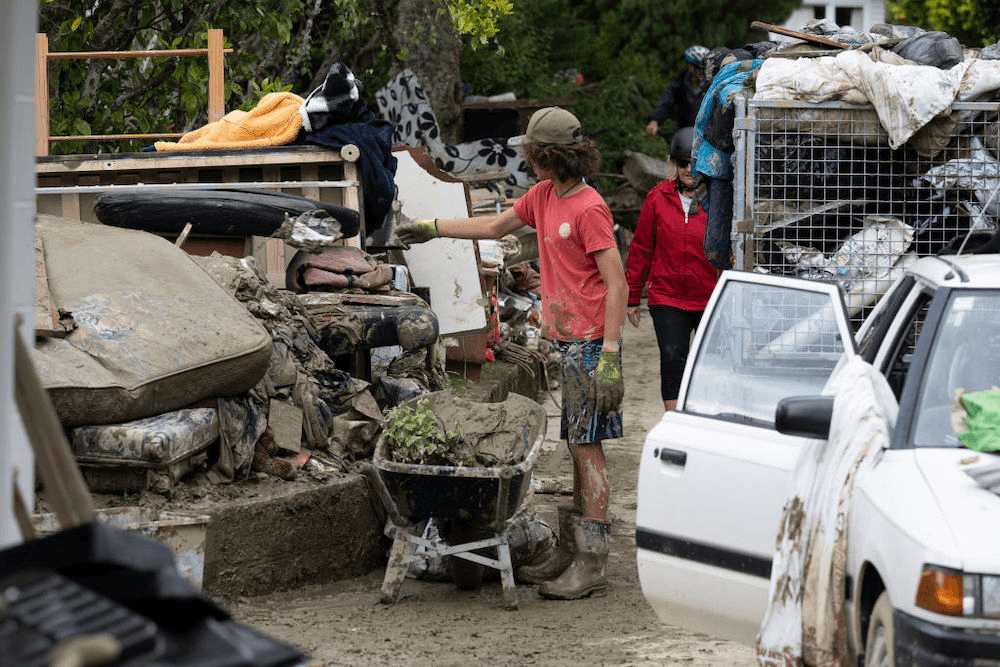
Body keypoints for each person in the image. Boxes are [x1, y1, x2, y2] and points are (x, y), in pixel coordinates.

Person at [395, 106, 627, 600]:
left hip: (590, 344)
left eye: (532, 153)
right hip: (568, 340)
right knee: (575, 443)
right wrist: (431, 227)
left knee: (587, 448)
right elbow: (496, 227)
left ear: (551, 155)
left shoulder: (590, 208)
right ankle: (571, 550)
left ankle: (592, 562)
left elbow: (617, 283)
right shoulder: (544, 196)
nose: (527, 161)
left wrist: (609, 354)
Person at [625, 126, 719, 412]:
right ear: (673, 165)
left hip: (710, 296)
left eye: (695, 162)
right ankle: (674, 422)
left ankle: (703, 422)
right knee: (672, 358)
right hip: (667, 297)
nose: (689, 169)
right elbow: (641, 247)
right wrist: (632, 296)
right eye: (682, 163)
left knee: (707, 364)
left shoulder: (719, 200)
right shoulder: (657, 198)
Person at [644, 45, 710, 142]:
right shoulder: (679, 84)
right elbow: (665, 103)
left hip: (708, 139)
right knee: (673, 156)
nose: (705, 72)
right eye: (701, 69)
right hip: (683, 137)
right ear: (691, 68)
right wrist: (654, 121)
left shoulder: (713, 85)